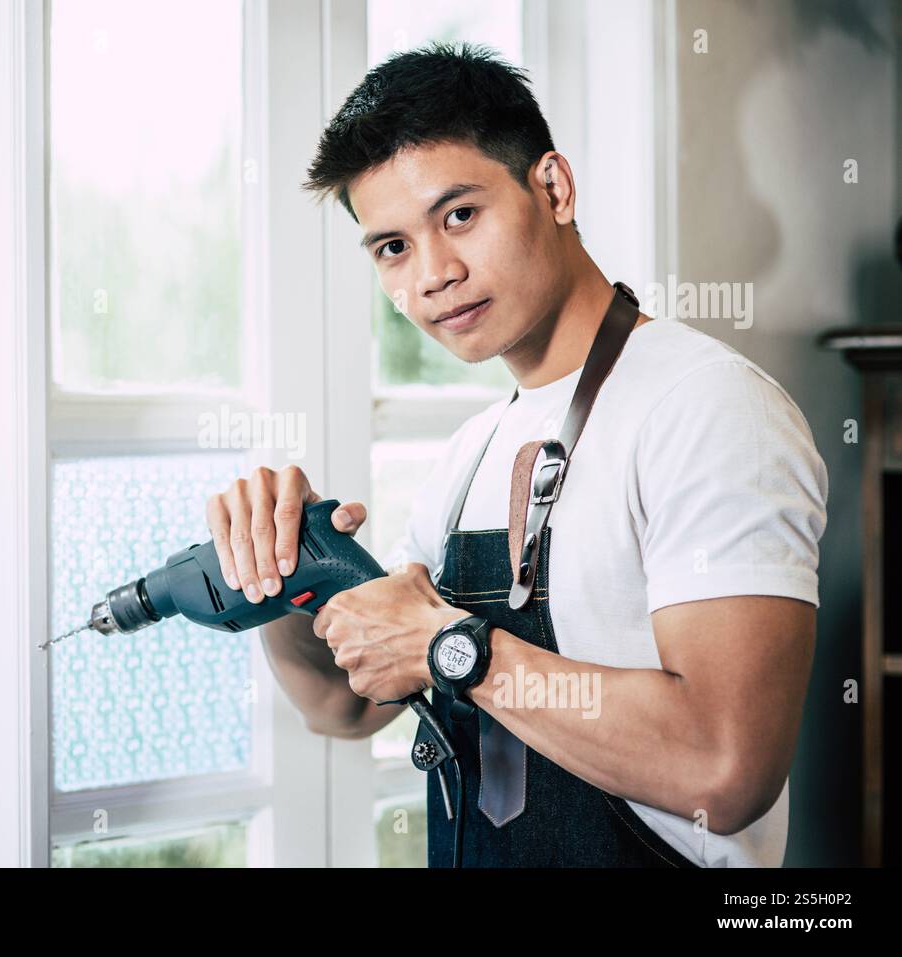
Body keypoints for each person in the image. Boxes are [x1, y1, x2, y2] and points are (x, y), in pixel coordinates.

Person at [204, 42, 827, 867]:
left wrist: (451, 647)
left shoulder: (710, 409)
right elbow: (341, 705)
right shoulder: (470, 453)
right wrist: (282, 578)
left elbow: (725, 765)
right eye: (392, 247)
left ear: (554, 188)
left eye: (459, 214)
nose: (433, 274)